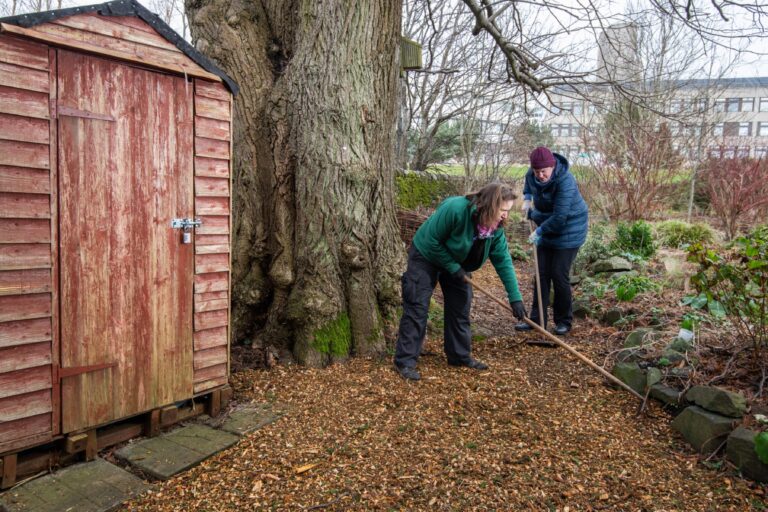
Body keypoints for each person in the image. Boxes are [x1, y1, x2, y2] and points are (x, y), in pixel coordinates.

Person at [393, 182, 527, 381]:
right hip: (426, 256)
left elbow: (504, 262)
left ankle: (458, 356)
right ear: (490, 205)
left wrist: (515, 298)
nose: (505, 216)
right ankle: (405, 361)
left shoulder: (495, 229)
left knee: (461, 305)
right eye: (503, 210)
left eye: (508, 211)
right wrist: (453, 267)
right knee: (417, 305)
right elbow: (431, 241)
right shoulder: (455, 209)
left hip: (457, 263)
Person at [516, 146, 588, 336]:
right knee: (540, 274)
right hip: (546, 225)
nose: (540, 175)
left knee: (558, 274)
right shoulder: (532, 174)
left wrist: (539, 229)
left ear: (552, 166)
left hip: (569, 229)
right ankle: (537, 320)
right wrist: (527, 197)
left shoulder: (566, 181)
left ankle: (564, 321)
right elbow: (528, 182)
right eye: (537, 171)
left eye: (543, 171)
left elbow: (560, 217)